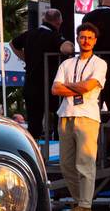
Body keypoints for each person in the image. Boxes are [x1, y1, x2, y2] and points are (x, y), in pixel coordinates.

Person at [51, 23, 108, 211]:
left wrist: (68, 86)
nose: (85, 41)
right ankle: (79, 201)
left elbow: (88, 87)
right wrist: (77, 87)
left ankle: (85, 206)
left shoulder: (99, 63)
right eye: (82, 37)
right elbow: (55, 89)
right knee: (66, 164)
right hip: (66, 114)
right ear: (77, 38)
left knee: (85, 163)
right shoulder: (66, 64)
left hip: (87, 116)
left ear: (95, 41)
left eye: (90, 37)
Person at [13, 8, 73, 140]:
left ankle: (34, 154)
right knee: (59, 120)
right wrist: (70, 46)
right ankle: (59, 154)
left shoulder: (29, 33)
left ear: (44, 19)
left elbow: (13, 44)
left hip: (31, 86)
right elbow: (66, 48)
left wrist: (25, 58)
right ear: (59, 22)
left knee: (34, 126)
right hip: (51, 86)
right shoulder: (53, 36)